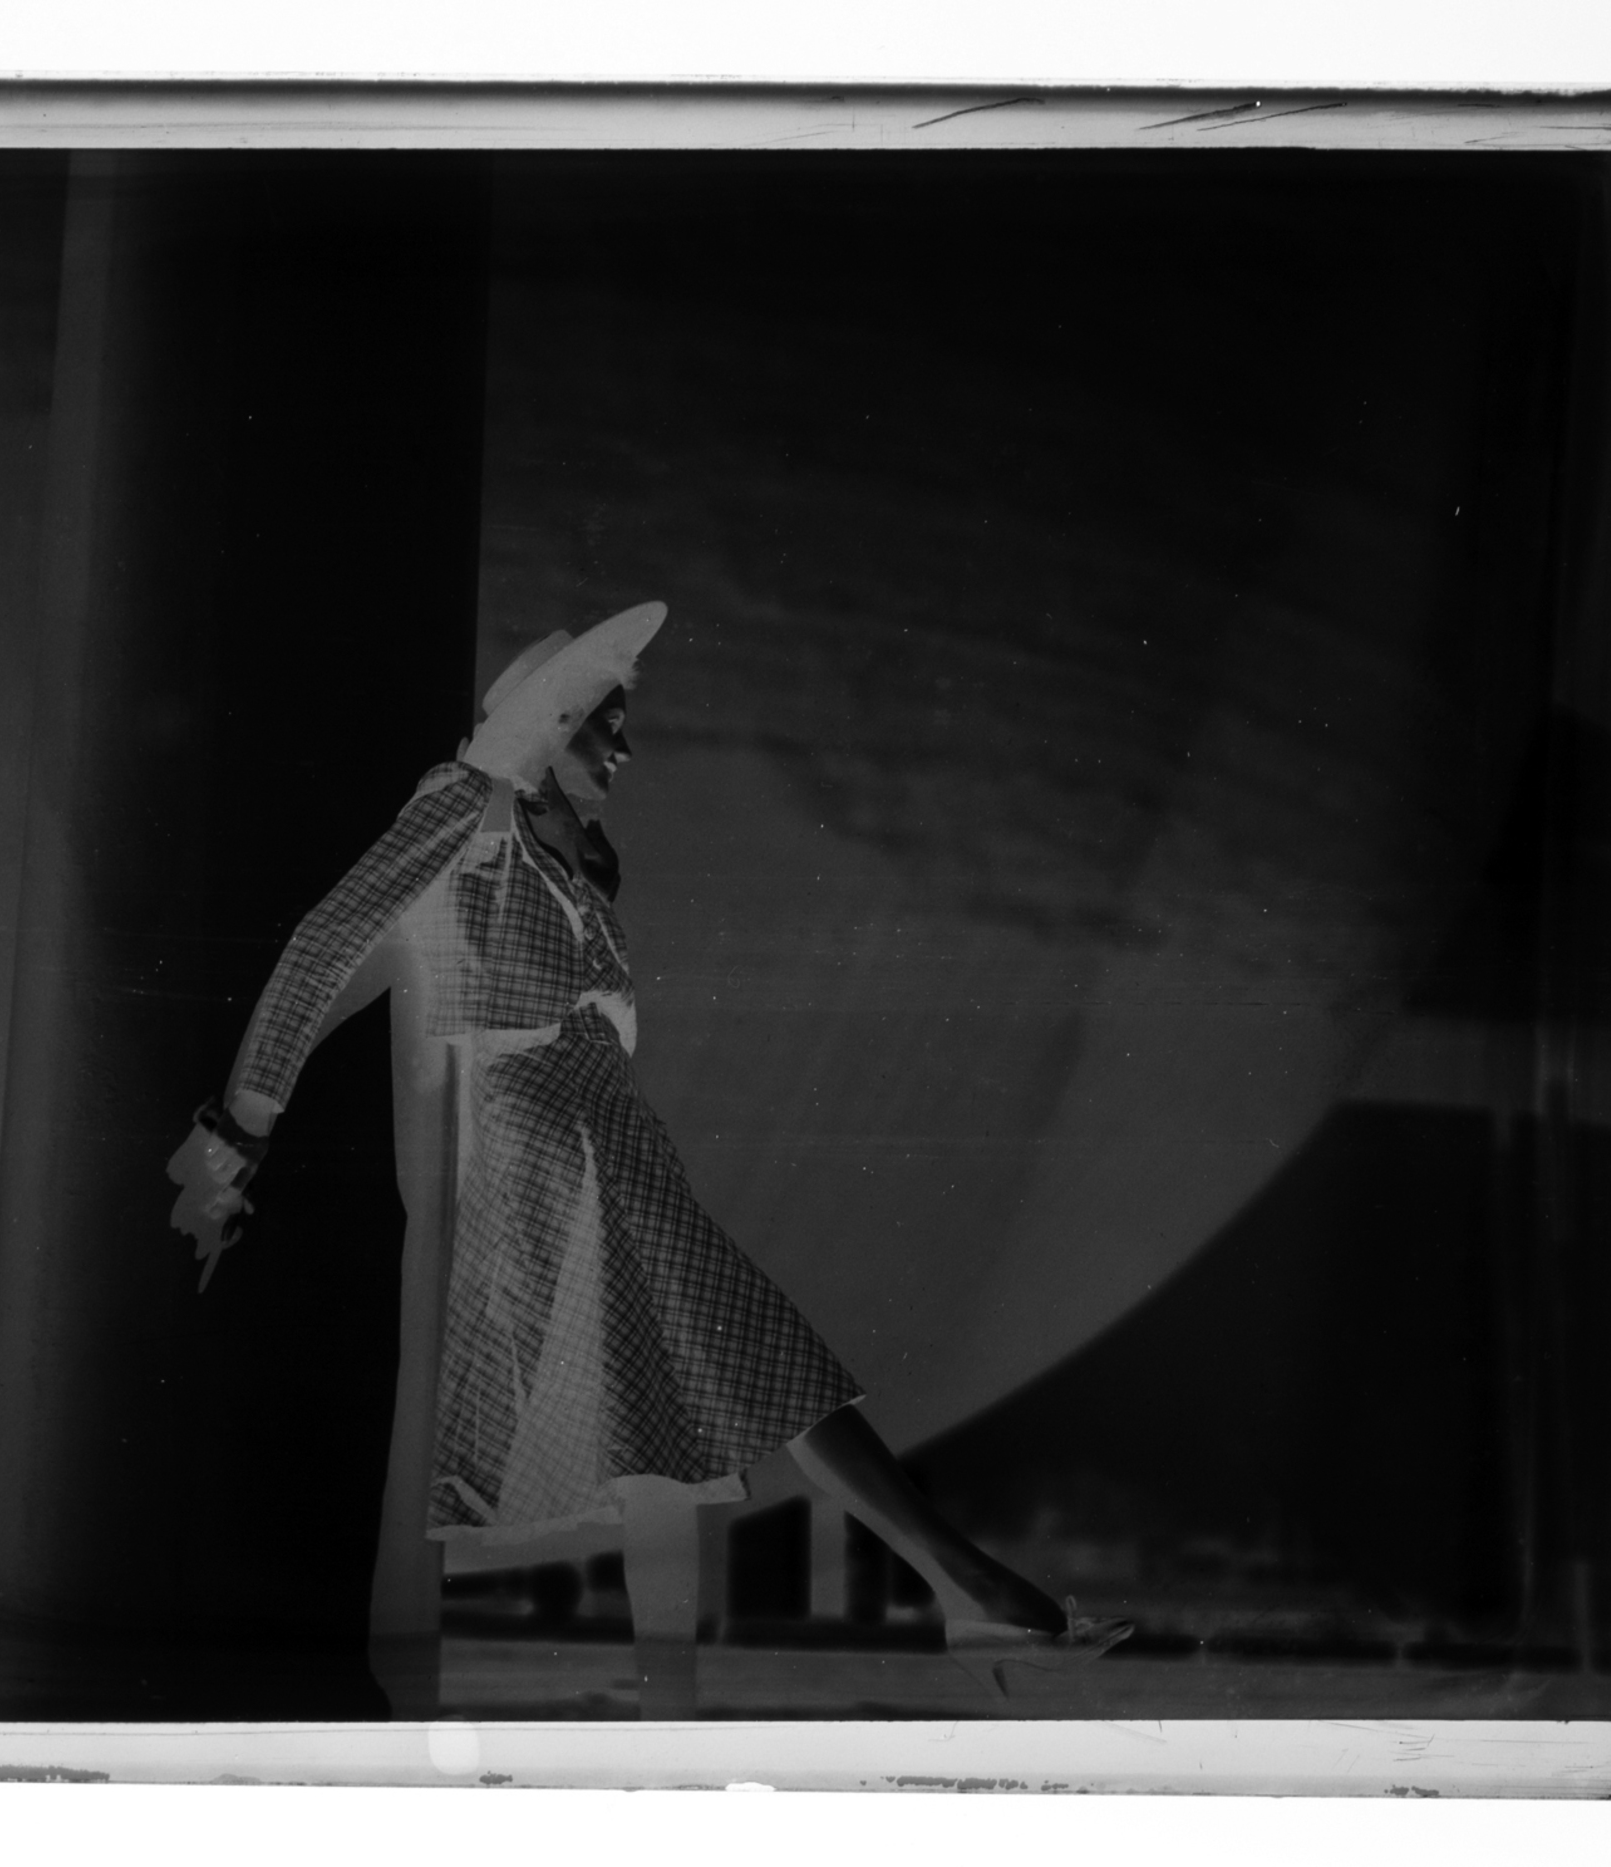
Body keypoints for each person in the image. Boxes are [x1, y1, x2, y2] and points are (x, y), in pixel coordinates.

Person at [168, 602, 1128, 1704]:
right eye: (604, 723)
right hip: (539, 1139)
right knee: (758, 1356)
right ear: (555, 716)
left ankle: (675, 1685)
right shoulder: (463, 804)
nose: (625, 747)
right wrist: (243, 1118)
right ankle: (969, 1588)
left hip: (614, 1133)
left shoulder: (580, 857)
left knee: (661, 1411)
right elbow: (326, 939)